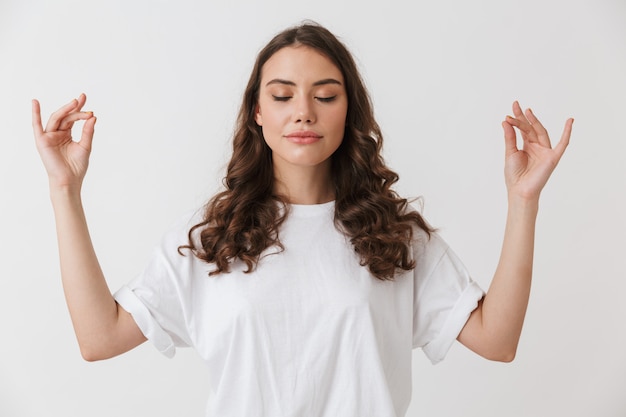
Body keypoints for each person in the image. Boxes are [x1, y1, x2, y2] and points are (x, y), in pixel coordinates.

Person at [32, 21, 573, 417]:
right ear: (258, 113)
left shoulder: (394, 237)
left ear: (349, 112)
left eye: (326, 95)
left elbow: (497, 341)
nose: (304, 112)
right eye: (283, 95)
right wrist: (65, 189)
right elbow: (98, 338)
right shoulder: (211, 239)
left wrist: (523, 201)